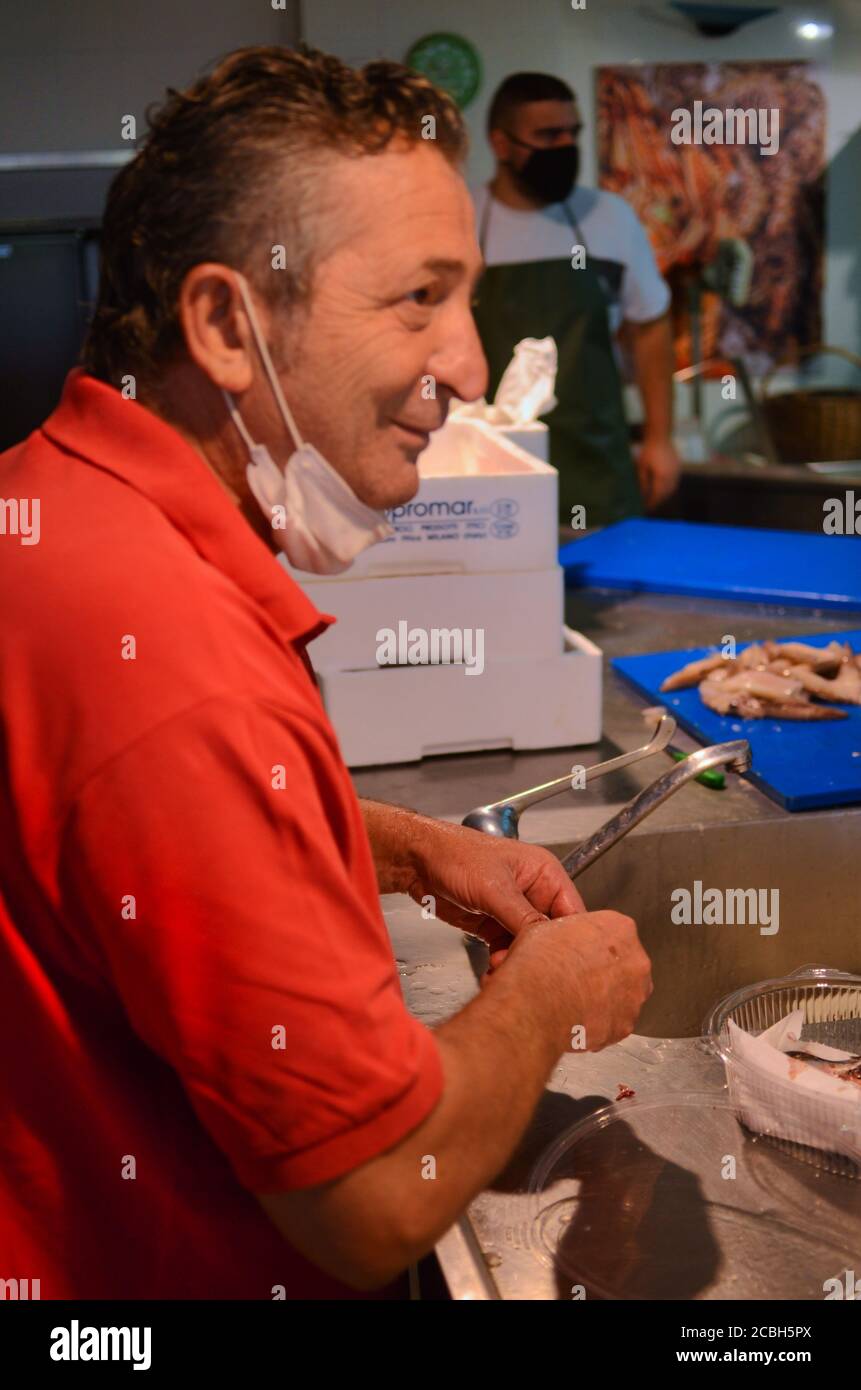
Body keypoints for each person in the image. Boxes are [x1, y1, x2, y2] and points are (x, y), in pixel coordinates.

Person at [0, 46, 651, 1299]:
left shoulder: (52, 503)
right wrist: (549, 1001)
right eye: (419, 299)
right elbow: (368, 1196)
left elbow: (115, 834)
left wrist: (397, 845)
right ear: (227, 325)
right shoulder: (183, 668)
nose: (467, 367)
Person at [473, 71, 681, 526]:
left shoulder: (609, 218)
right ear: (501, 144)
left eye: (573, 133)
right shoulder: (463, 221)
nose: (565, 146)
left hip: (595, 461)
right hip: (487, 465)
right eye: (548, 135)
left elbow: (651, 326)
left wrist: (660, 439)